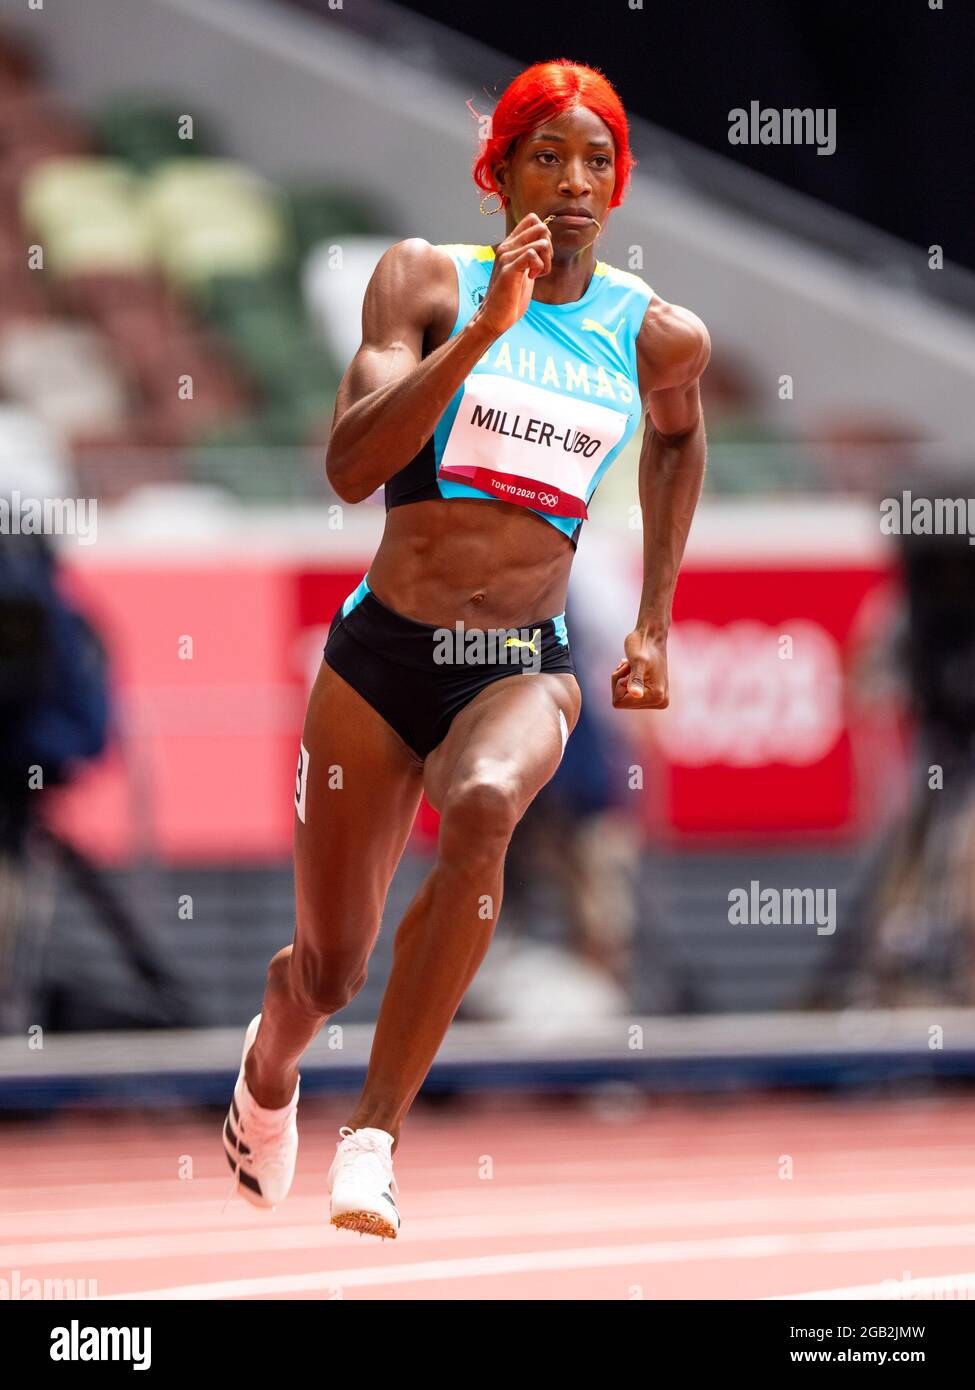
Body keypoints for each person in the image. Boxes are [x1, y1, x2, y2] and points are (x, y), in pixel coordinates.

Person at [223, 58, 710, 1239]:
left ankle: (375, 1138)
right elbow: (348, 469)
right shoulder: (427, 281)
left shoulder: (657, 335)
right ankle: (271, 1069)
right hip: (379, 658)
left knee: (488, 801)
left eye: (601, 162)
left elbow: (678, 442)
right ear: (500, 173)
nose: (578, 183)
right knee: (328, 970)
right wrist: (482, 337)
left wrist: (652, 615)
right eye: (550, 156)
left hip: (522, 664)